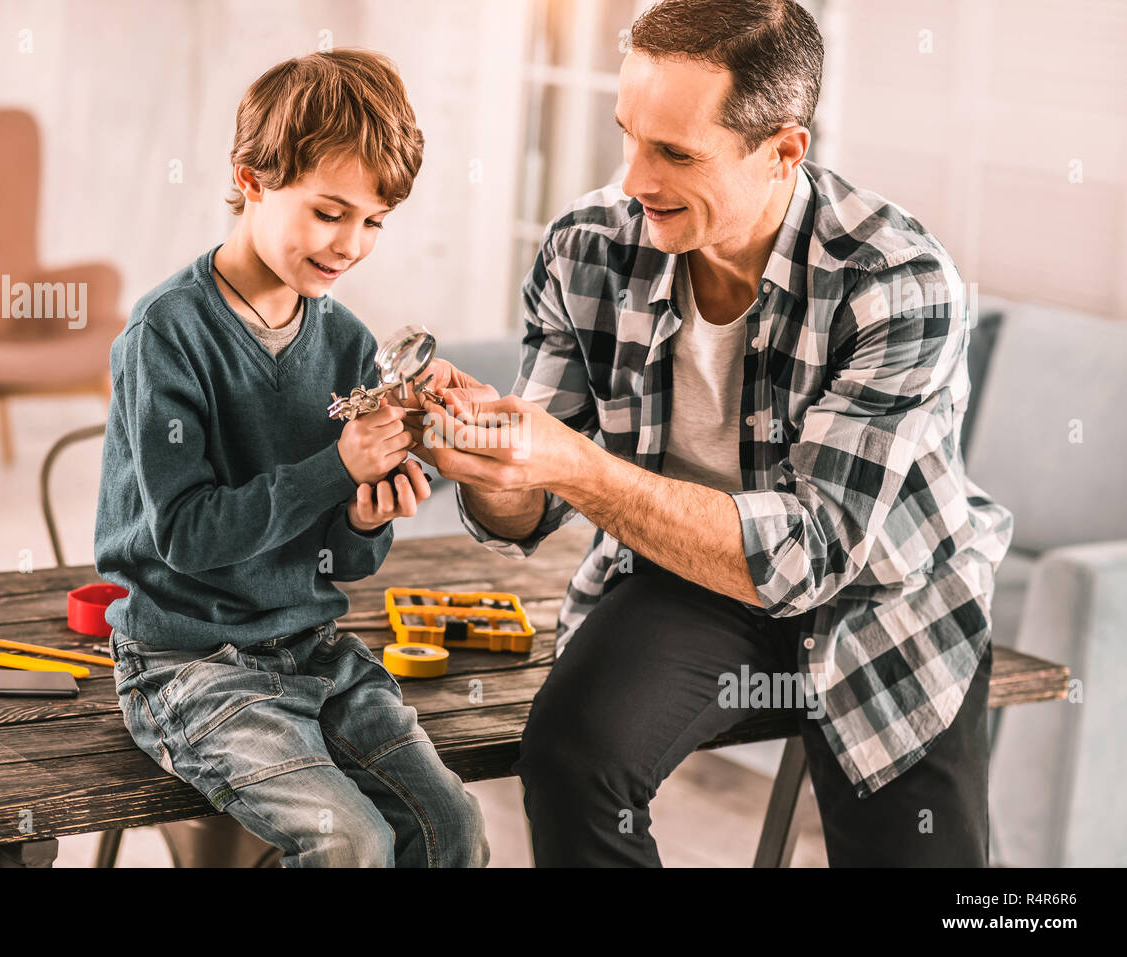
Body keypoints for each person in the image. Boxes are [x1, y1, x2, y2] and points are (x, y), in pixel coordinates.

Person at [407, 0, 1012, 866]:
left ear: (784, 151)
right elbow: (525, 515)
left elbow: (813, 555)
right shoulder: (588, 248)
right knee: (571, 756)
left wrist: (577, 464)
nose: (632, 181)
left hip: (882, 598)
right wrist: (495, 466)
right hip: (685, 574)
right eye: (628, 136)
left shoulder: (897, 281)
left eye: (675, 154)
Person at [94, 48, 488, 868]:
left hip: (309, 648)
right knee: (350, 842)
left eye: (374, 221)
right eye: (328, 212)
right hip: (186, 662)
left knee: (453, 825)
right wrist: (335, 468)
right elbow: (188, 537)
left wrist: (361, 515)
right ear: (249, 180)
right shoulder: (166, 335)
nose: (350, 244)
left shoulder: (345, 343)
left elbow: (341, 561)